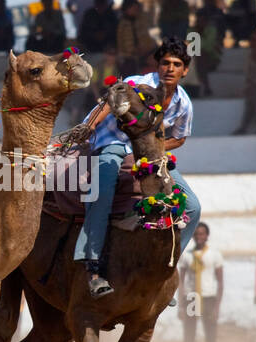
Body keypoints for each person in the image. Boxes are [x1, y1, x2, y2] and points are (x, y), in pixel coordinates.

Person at [73, 37, 199, 297]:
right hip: (114, 143)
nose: (170, 68)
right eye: (165, 63)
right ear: (158, 64)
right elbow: (109, 104)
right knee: (102, 190)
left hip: (148, 155)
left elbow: (181, 137)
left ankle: (167, 269)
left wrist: (152, 149)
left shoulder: (184, 104)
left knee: (193, 207)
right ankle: (93, 266)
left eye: (177, 64)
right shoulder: (135, 84)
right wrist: (90, 126)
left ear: (185, 70)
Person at [178, 222, 224, 342]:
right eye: (197, 234)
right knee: (189, 337)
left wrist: (217, 307)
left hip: (209, 298)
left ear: (207, 236)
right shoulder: (187, 255)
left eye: (202, 234)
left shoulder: (214, 254)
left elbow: (220, 282)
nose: (199, 237)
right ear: (193, 236)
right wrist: (181, 306)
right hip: (192, 299)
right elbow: (181, 281)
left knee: (210, 337)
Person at [116, 0, 156, 80]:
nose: (135, 10)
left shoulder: (142, 20)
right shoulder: (122, 24)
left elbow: (147, 37)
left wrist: (145, 49)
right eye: (133, 8)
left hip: (146, 54)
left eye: (136, 8)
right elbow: (121, 43)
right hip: (129, 57)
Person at [193, 0, 225, 93]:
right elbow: (192, 49)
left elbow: (209, 47)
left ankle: (202, 87)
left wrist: (199, 38)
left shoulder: (212, 30)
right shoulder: (191, 31)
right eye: (199, 19)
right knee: (198, 58)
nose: (200, 21)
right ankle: (205, 87)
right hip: (196, 60)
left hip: (211, 58)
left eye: (203, 20)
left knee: (200, 57)